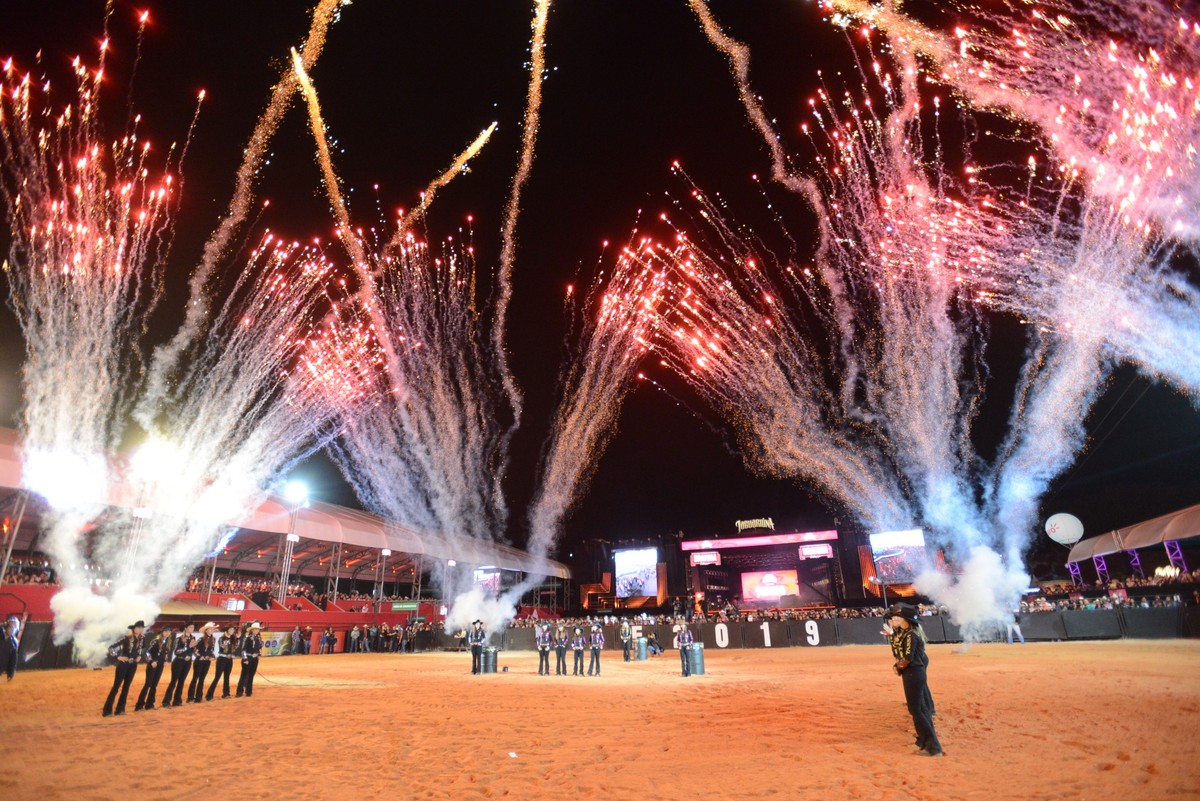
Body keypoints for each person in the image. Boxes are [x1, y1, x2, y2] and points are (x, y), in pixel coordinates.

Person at [886, 603, 943, 756]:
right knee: (920, 709)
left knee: (916, 710)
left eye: (898, 617)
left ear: (905, 620)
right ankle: (927, 742)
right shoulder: (908, 633)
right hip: (914, 673)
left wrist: (897, 667)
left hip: (913, 673)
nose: (895, 619)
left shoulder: (910, 634)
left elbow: (907, 657)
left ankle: (932, 746)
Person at [102, 620, 145, 716]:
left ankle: (120, 709)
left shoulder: (142, 639)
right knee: (116, 687)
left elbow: (141, 650)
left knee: (126, 687)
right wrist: (118, 657)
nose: (140, 629)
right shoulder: (127, 638)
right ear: (134, 629)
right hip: (123, 665)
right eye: (138, 627)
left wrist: (139, 656)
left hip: (133, 665)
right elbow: (111, 648)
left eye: (141, 628)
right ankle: (107, 710)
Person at [136, 625, 172, 710]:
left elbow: (165, 654)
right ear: (162, 632)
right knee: (148, 684)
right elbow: (147, 652)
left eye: (169, 631)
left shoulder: (167, 642)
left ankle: (149, 704)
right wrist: (151, 661)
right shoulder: (155, 641)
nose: (167, 633)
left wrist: (165, 661)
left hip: (160, 666)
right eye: (166, 631)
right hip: (153, 665)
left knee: (154, 685)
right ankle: (139, 705)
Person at [163, 621, 196, 708]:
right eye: (190, 627)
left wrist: (192, 652)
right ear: (186, 628)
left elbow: (192, 650)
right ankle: (166, 701)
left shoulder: (193, 638)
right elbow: (176, 651)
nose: (192, 629)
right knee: (173, 681)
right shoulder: (179, 638)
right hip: (179, 661)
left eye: (193, 627)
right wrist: (187, 647)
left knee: (181, 681)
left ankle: (177, 700)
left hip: (187, 662)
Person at [207, 623, 239, 700]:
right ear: (227, 630)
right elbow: (223, 647)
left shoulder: (233, 638)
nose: (232, 631)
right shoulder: (222, 638)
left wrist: (236, 641)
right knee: (217, 677)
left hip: (229, 659)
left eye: (233, 630)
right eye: (230, 629)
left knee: (227, 676)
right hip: (222, 659)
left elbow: (235, 649)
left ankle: (226, 693)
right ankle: (209, 695)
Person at [188, 622, 217, 702]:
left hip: (207, 662)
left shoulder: (213, 639)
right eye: (209, 629)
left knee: (202, 679)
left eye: (212, 629)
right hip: (199, 662)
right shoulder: (201, 639)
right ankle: (190, 697)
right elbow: (195, 650)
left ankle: (198, 697)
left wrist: (212, 657)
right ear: (206, 630)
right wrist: (199, 656)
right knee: (195, 679)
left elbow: (211, 651)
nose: (211, 631)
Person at [237, 621, 263, 697]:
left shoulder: (258, 638)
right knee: (244, 675)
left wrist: (259, 654)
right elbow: (243, 649)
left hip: (255, 659)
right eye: (256, 629)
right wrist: (245, 659)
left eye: (258, 629)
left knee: (251, 675)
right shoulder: (247, 638)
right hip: (248, 658)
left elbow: (259, 648)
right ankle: (239, 692)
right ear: (252, 630)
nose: (257, 631)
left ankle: (249, 691)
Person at [0, 616, 19, 681]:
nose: (12, 629)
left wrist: (11, 673)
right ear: (6, 626)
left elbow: (13, 659)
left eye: (14, 627)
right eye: (11, 627)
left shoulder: (14, 642)